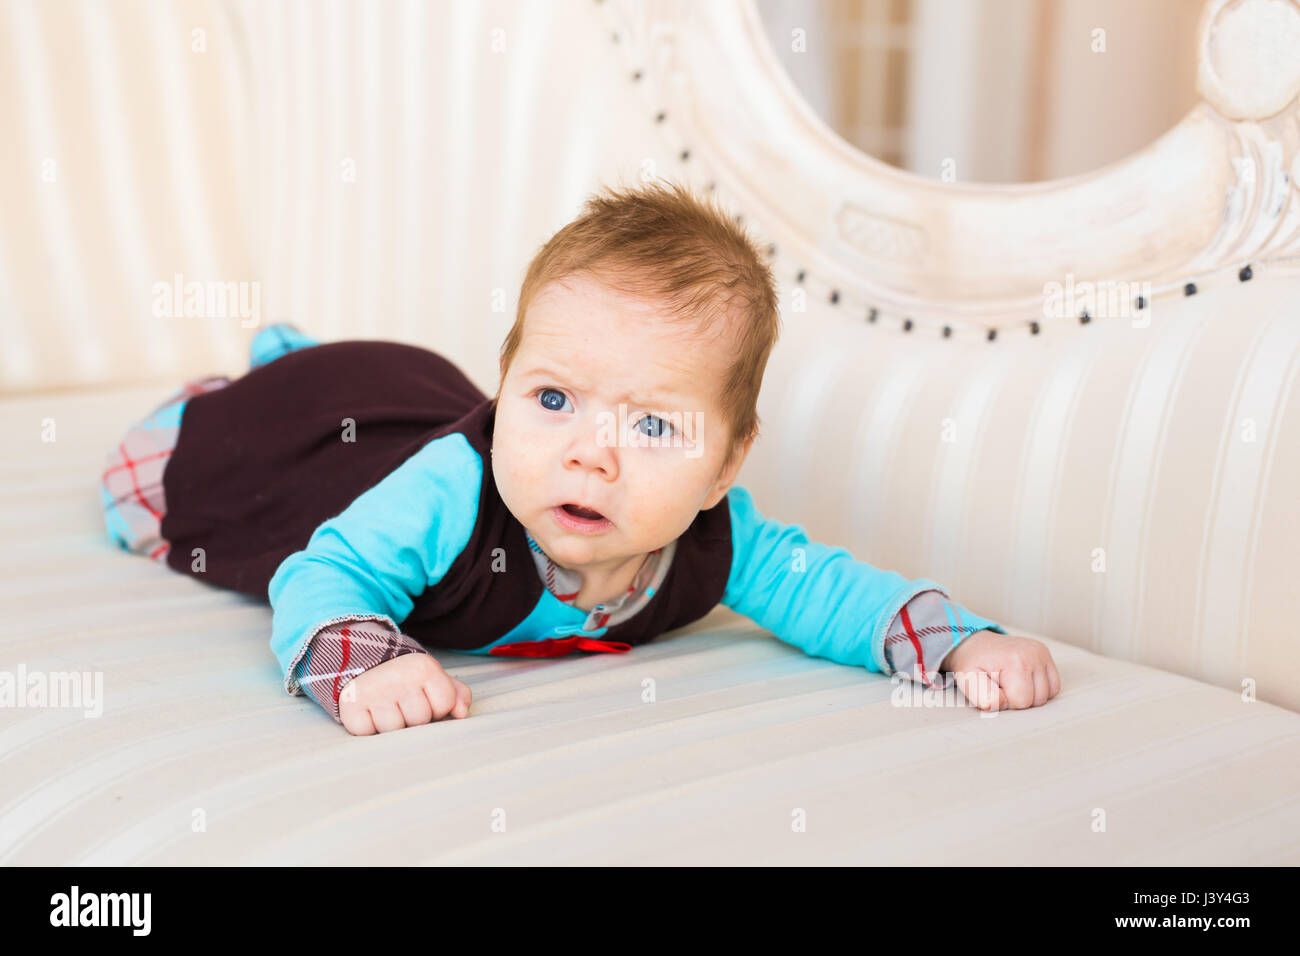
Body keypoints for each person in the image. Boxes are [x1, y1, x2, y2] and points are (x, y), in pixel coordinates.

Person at [101, 179, 1060, 735]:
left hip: (408, 402)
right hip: (334, 445)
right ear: (508, 386)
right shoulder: (452, 489)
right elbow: (328, 569)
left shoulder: (722, 541)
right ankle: (275, 368)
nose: (590, 456)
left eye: (653, 427)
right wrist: (363, 659)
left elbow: (835, 596)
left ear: (727, 465)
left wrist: (963, 643)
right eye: (552, 400)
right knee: (162, 483)